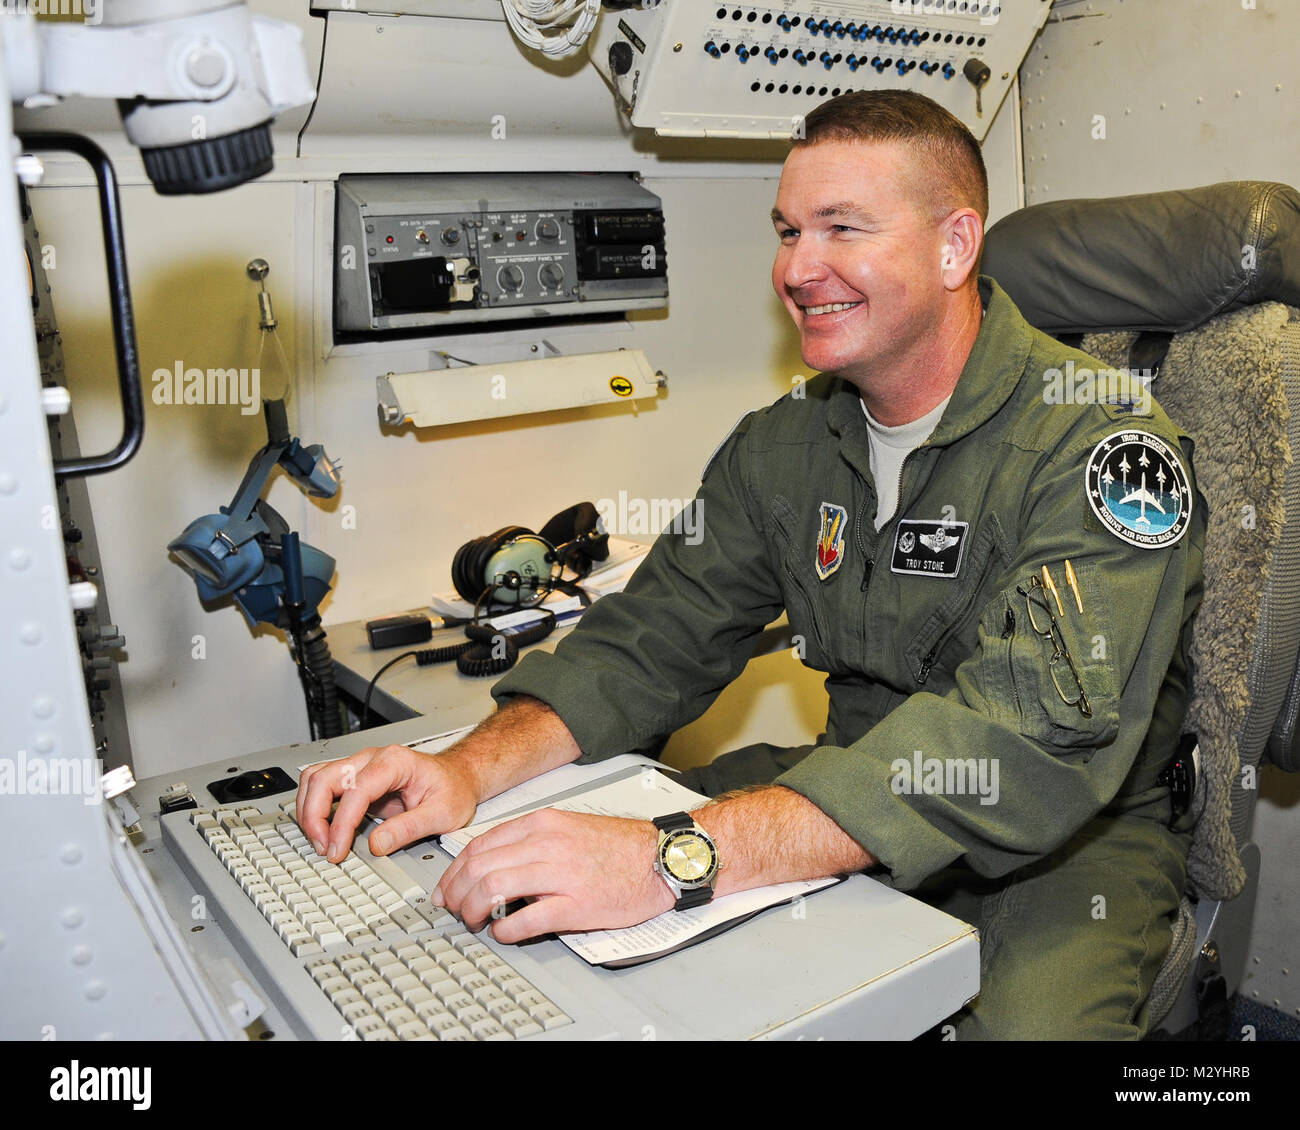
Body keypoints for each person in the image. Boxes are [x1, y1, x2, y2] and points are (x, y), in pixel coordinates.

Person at [297, 90, 1205, 1039]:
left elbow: (1020, 746)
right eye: (787, 231)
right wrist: (468, 769)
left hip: (1066, 840)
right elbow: (647, 641)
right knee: (545, 912)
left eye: (840, 227)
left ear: (954, 246)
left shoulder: (1107, 450)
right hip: (848, 779)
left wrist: (669, 859)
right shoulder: (783, 447)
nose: (797, 268)